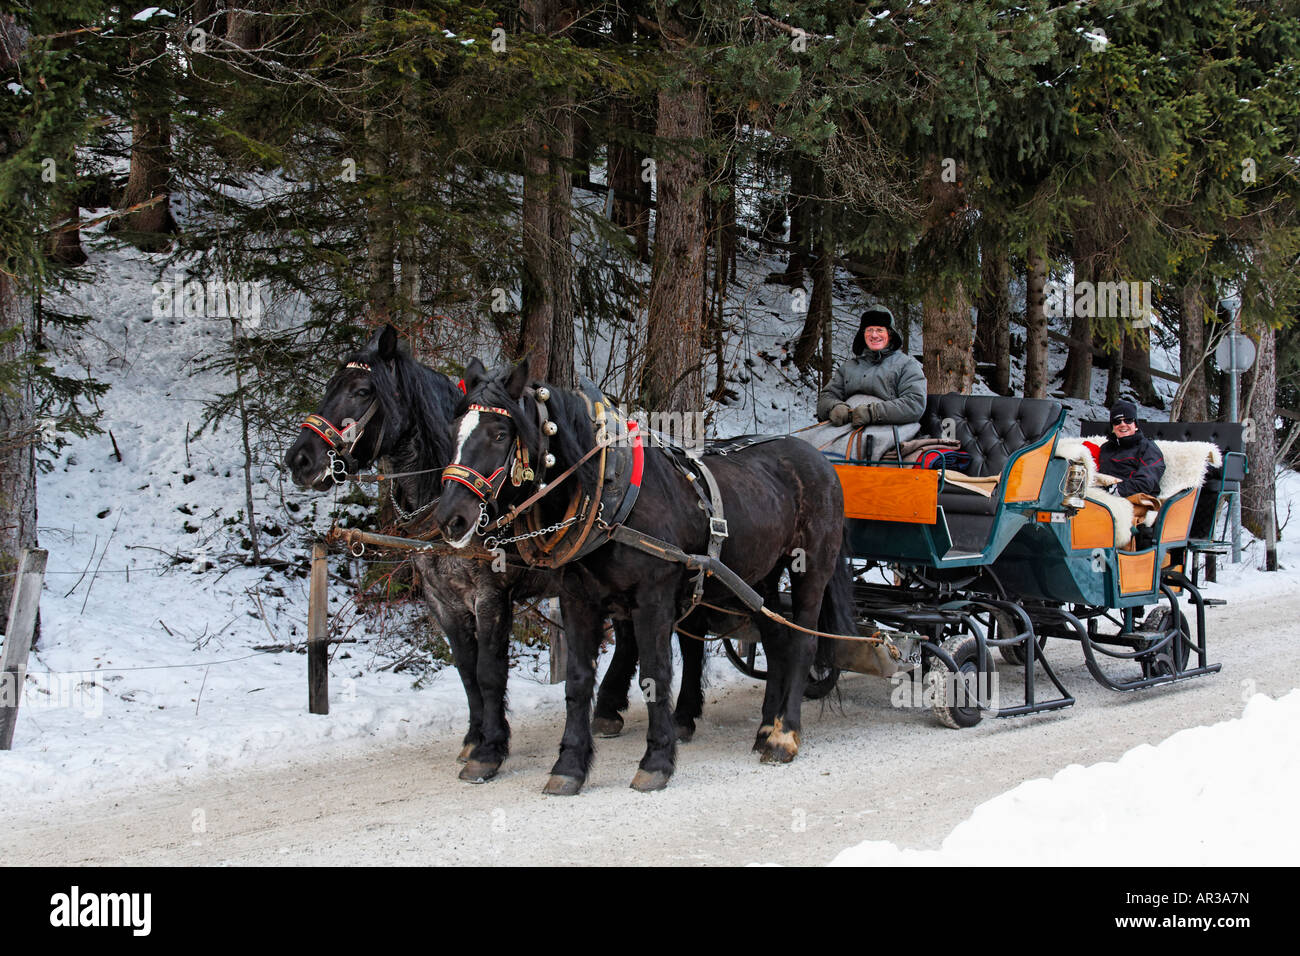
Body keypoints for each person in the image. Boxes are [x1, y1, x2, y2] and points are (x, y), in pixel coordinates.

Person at [815, 307, 927, 427]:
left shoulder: (906, 365)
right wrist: (834, 407)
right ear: (863, 335)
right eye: (869, 330)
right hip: (846, 428)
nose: (874, 335)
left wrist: (873, 413)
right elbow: (826, 398)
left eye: (879, 330)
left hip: (890, 430)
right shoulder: (848, 367)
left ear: (889, 334)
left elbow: (914, 404)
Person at [1098, 400, 1165, 496]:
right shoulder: (1105, 448)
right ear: (1113, 427)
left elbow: (1147, 481)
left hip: (1133, 499)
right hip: (1102, 498)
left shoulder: (1147, 448)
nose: (1122, 424)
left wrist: (1116, 490)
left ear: (1136, 425)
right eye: (1117, 421)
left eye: (1128, 420)